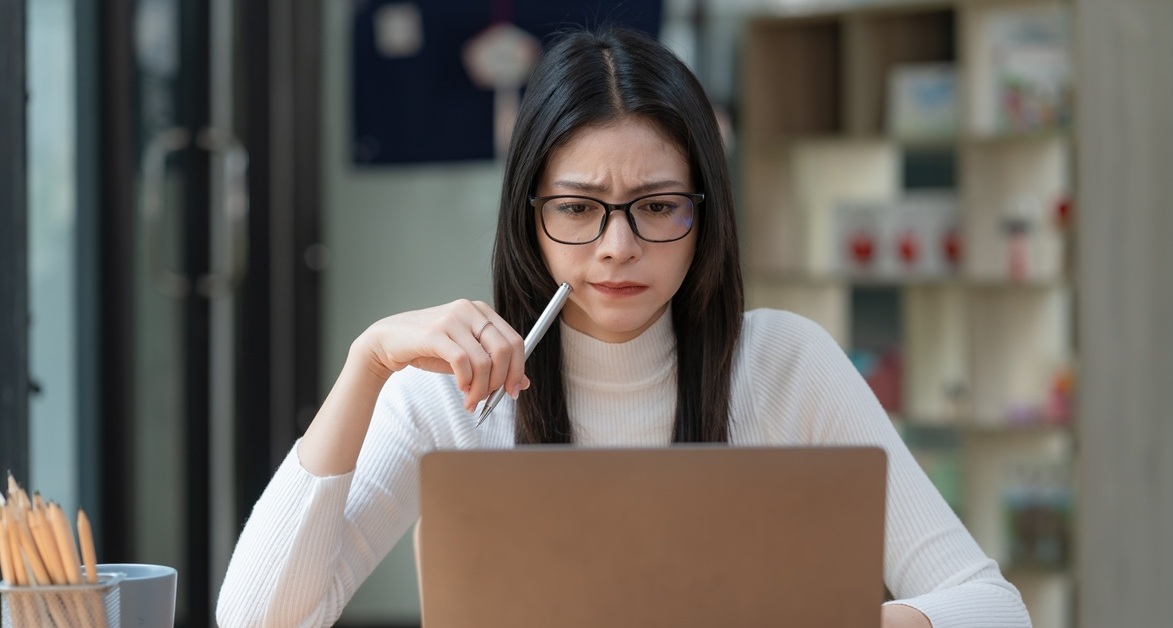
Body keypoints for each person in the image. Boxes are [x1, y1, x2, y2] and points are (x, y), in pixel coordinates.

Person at [216, 26, 1031, 628]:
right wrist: (367, 363)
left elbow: (992, 608)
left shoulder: (785, 363)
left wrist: (839, 619)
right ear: (528, 220)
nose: (617, 247)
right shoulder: (453, 397)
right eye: (577, 208)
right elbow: (257, 622)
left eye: (657, 207)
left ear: (704, 214)